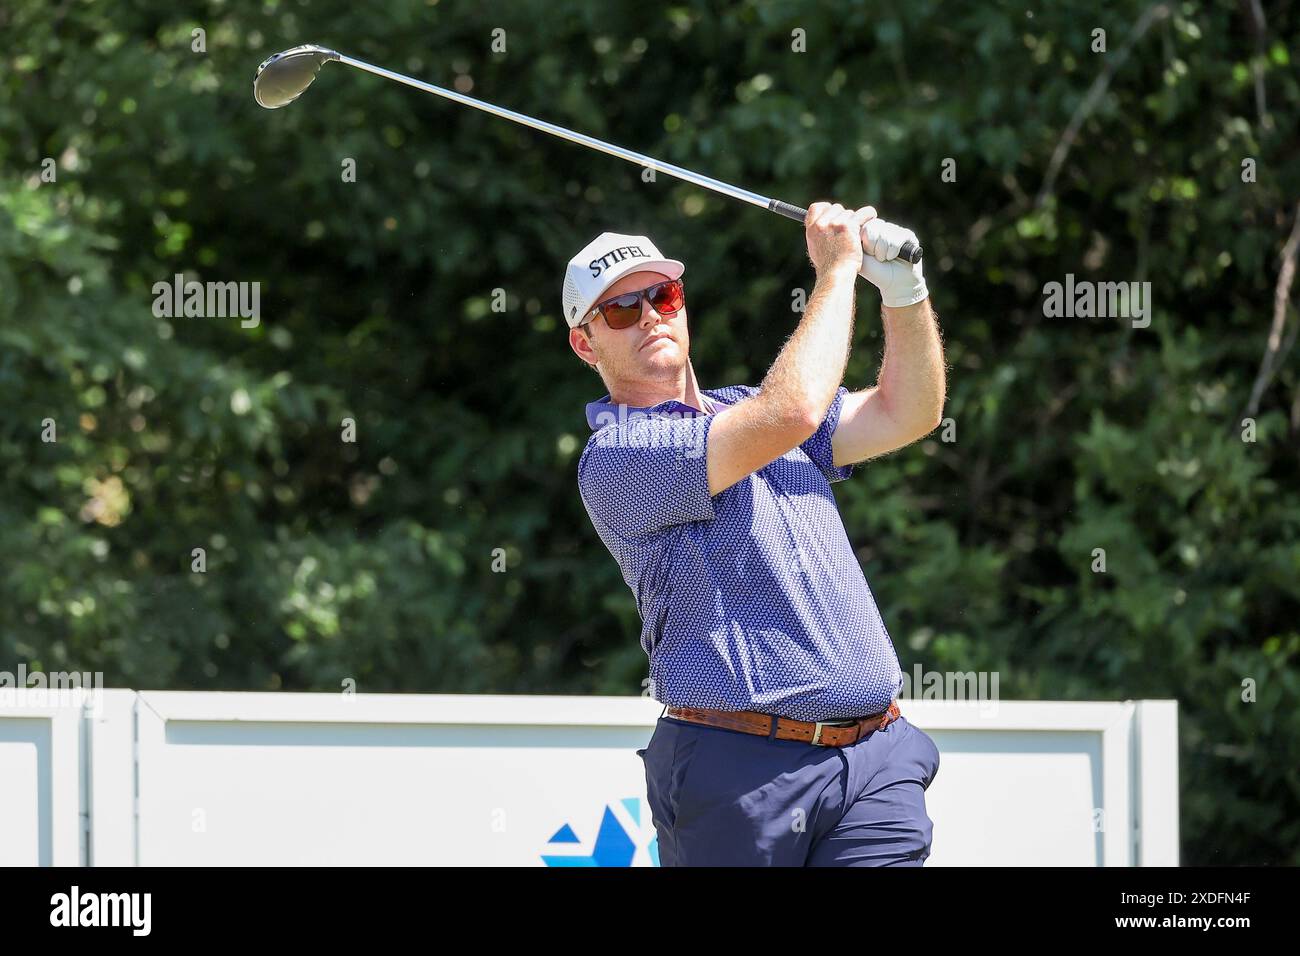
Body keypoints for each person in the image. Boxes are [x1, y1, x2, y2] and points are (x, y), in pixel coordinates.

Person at [563, 203, 946, 866]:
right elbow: (792, 411)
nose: (652, 314)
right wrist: (836, 274)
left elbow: (907, 411)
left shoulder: (749, 405)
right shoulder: (617, 455)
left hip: (875, 759)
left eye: (663, 294)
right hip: (740, 774)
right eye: (622, 311)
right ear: (585, 344)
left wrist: (904, 293)